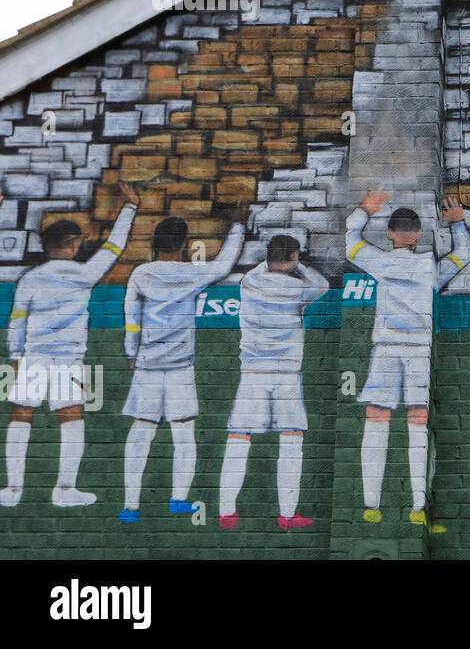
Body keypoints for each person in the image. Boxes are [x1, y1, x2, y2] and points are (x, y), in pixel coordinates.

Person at [2, 182, 138, 508]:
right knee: (72, 417)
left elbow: (17, 322)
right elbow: (115, 245)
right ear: (74, 245)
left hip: (33, 355)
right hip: (68, 359)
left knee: (21, 415)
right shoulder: (85, 274)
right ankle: (64, 490)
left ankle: (12, 490)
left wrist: (15, 356)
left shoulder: (29, 279)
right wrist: (130, 207)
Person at [347, 192, 470, 527]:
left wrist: (363, 211)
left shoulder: (379, 261)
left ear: (389, 233)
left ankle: (371, 504)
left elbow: (349, 243)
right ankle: (419, 506)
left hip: (385, 349)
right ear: (417, 235)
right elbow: (466, 254)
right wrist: (457, 222)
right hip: (419, 351)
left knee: (376, 418)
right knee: (418, 422)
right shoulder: (430, 266)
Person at [119, 215, 245, 523]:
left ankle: (130, 506)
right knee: (184, 435)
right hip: (180, 367)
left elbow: (131, 318)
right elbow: (225, 264)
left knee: (141, 433)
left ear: (155, 243)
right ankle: (178, 499)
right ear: (185, 244)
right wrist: (238, 227)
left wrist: (131, 351)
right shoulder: (191, 274)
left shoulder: (141, 273)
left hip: (148, 364)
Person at [218, 234, 330, 530]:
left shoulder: (249, 283)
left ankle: (226, 512)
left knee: (239, 441)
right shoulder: (300, 289)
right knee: (292, 444)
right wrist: (301, 265)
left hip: (252, 374)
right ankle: (287, 514)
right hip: (287, 375)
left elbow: (257, 271)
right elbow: (323, 285)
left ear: (267, 257)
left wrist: (268, 263)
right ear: (293, 257)